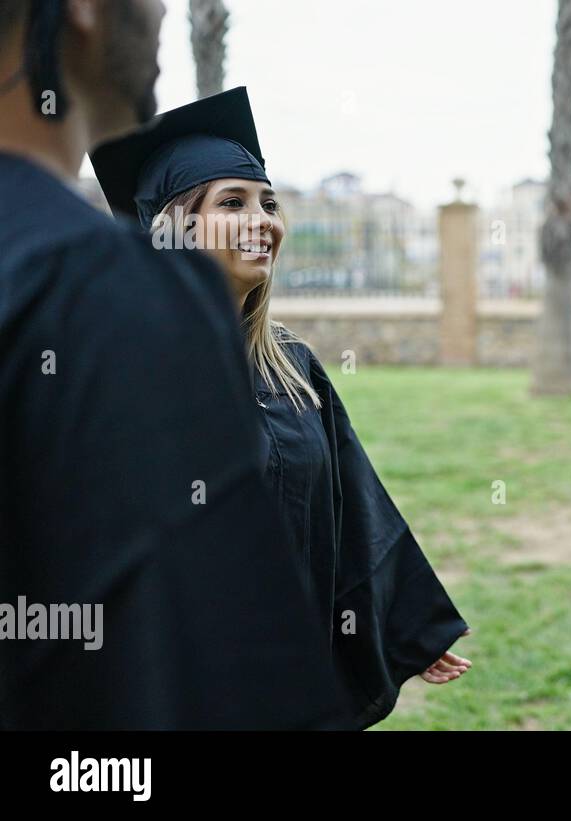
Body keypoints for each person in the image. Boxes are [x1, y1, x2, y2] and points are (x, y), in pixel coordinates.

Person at [0, 0, 348, 727]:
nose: (162, 10)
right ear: (86, 11)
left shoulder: (288, 363)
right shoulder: (91, 288)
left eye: (268, 202)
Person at [90, 88, 473, 729]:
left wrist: (407, 622)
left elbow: (352, 498)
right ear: (174, 224)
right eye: (232, 203)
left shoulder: (290, 366)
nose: (262, 219)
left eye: (268, 203)